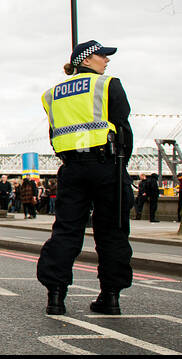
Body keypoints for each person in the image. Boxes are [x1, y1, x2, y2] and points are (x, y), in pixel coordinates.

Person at [36, 40, 133, 317]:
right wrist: (121, 165)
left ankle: (55, 296)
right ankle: (110, 297)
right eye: (103, 56)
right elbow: (123, 128)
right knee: (112, 231)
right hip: (107, 165)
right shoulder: (108, 85)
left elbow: (54, 135)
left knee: (66, 230)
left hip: (72, 168)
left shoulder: (51, 94)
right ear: (87, 60)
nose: (107, 60)